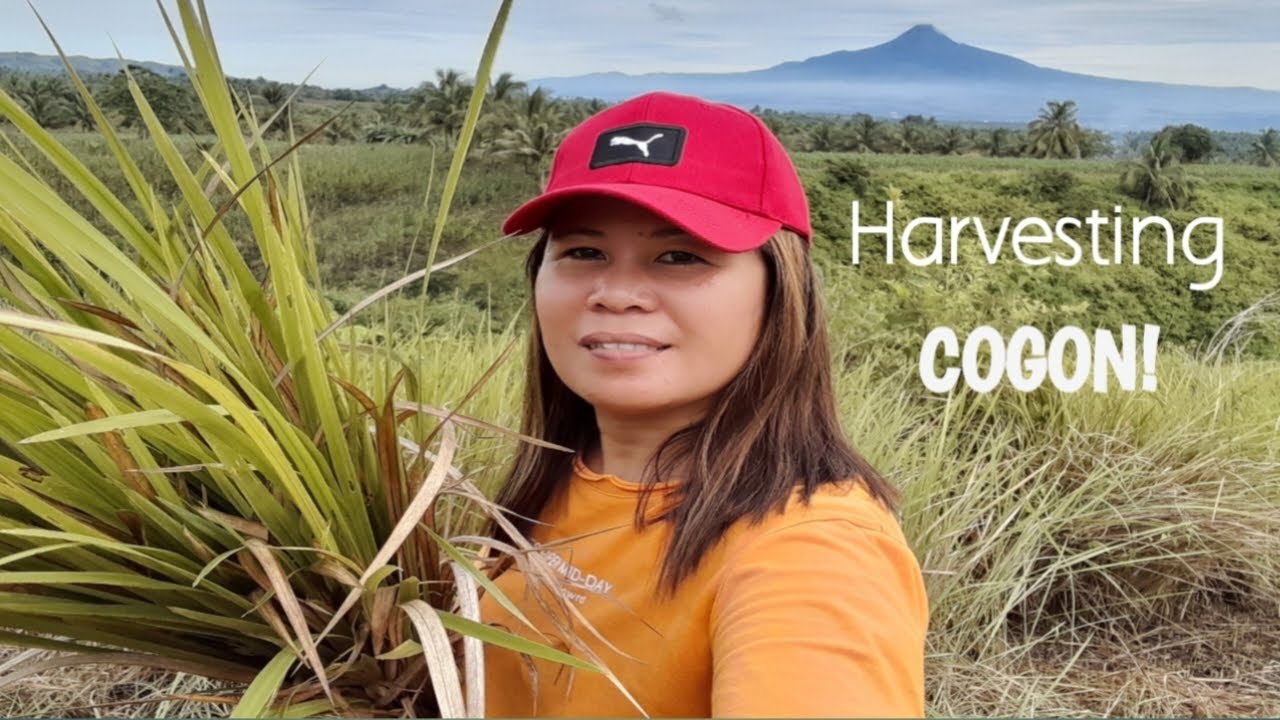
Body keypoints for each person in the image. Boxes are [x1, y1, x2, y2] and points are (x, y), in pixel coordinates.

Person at [477, 91, 928, 718]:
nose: (617, 293)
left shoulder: (814, 549)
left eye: (680, 256)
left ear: (780, 292)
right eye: (583, 252)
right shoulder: (547, 481)